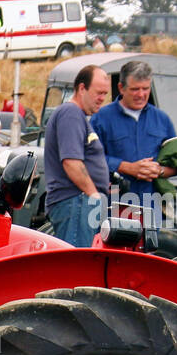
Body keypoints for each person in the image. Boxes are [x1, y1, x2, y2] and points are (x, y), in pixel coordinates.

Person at [91, 59, 177, 218]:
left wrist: (158, 170)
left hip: (151, 207)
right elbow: (90, 159)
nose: (141, 94)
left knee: (150, 243)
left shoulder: (162, 120)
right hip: (112, 206)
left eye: (145, 88)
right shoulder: (101, 119)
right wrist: (126, 167)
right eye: (135, 89)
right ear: (121, 88)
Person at [43, 65, 112, 248]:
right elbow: (71, 162)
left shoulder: (76, 116)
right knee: (78, 269)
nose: (102, 99)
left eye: (105, 94)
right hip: (77, 203)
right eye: (98, 93)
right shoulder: (70, 113)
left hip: (79, 204)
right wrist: (94, 195)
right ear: (82, 88)